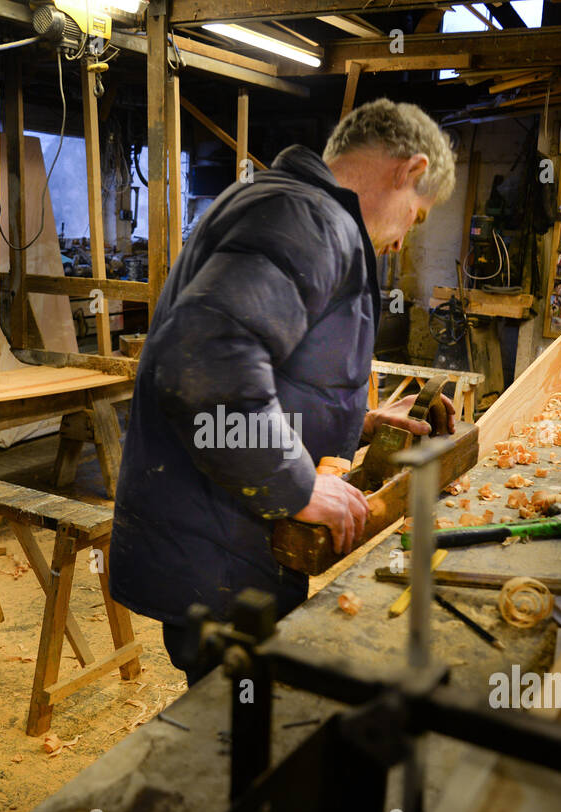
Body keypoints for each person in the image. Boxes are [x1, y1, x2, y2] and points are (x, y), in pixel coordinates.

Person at [109, 99, 458, 683]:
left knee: (229, 712)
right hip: (220, 543)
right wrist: (294, 484)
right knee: (236, 724)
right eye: (416, 217)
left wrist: (361, 421)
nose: (401, 242)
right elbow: (204, 368)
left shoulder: (277, 203)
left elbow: (266, 366)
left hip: (212, 533)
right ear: (410, 172)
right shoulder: (310, 220)